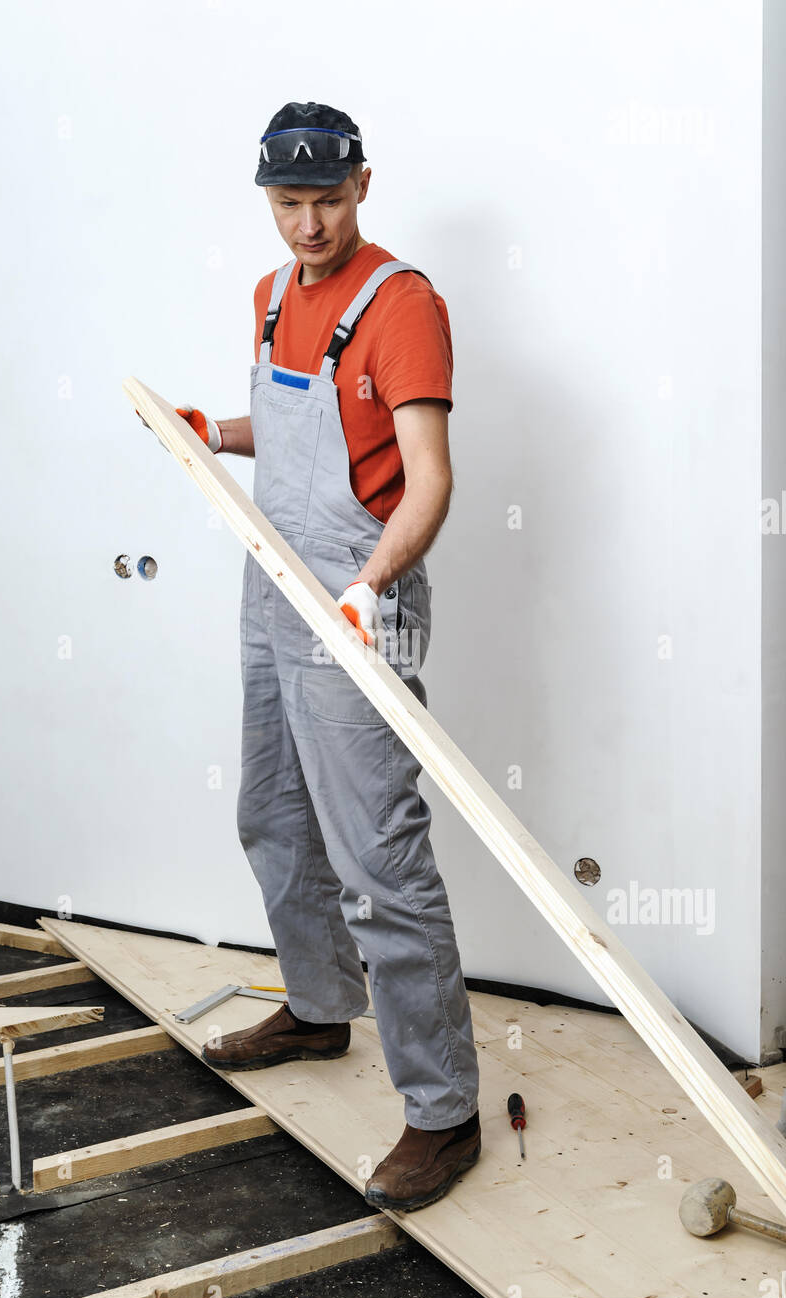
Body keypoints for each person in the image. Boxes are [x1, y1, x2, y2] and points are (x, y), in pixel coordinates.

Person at [178, 101, 480, 1212]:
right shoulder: (268, 298)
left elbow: (428, 475)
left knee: (380, 858)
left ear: (363, 186)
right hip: (274, 577)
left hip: (364, 587)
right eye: (286, 202)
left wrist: (367, 588)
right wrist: (214, 428)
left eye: (326, 198)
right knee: (270, 810)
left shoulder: (404, 306)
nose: (306, 224)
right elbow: (302, 425)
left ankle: (443, 1113)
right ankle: (317, 1006)